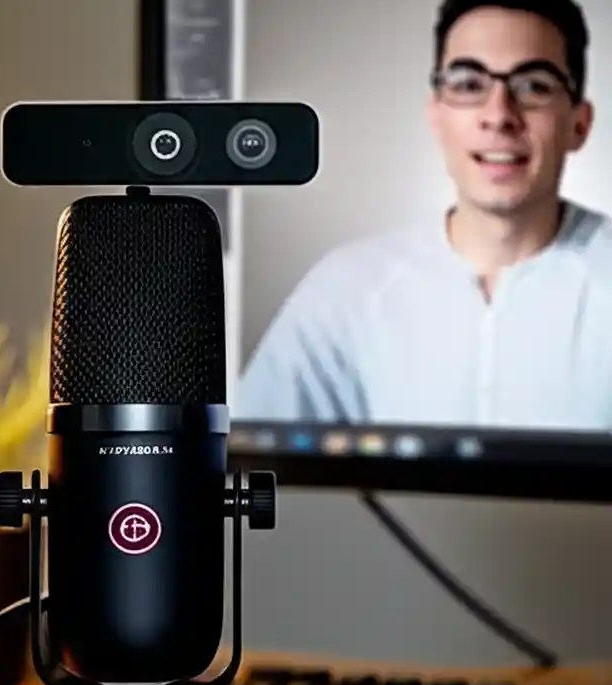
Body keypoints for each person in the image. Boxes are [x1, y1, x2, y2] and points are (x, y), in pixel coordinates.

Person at [236, 0, 612, 431]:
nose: (498, 115)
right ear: (436, 115)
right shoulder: (346, 292)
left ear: (579, 125)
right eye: (469, 83)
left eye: (535, 86)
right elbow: (252, 466)